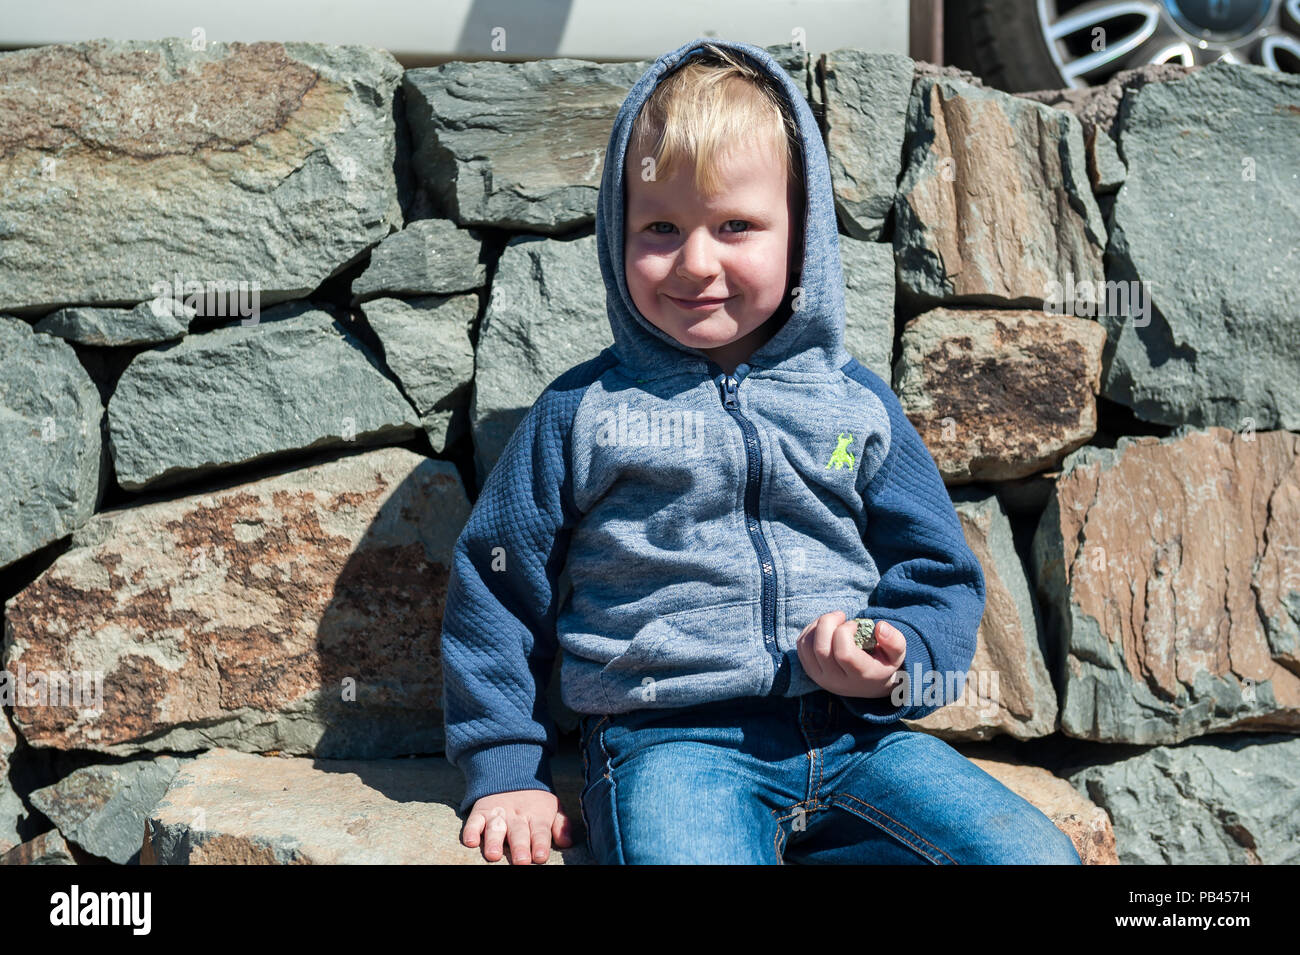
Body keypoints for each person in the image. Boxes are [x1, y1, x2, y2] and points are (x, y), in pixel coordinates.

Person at [439, 36, 1082, 865]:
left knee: (1033, 858)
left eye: (736, 225)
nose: (695, 261)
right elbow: (496, 584)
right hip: (671, 744)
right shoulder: (584, 412)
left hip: (857, 739)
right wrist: (505, 768)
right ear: (615, 229)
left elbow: (938, 576)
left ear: (800, 234)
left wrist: (890, 665)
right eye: (660, 227)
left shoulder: (853, 405)